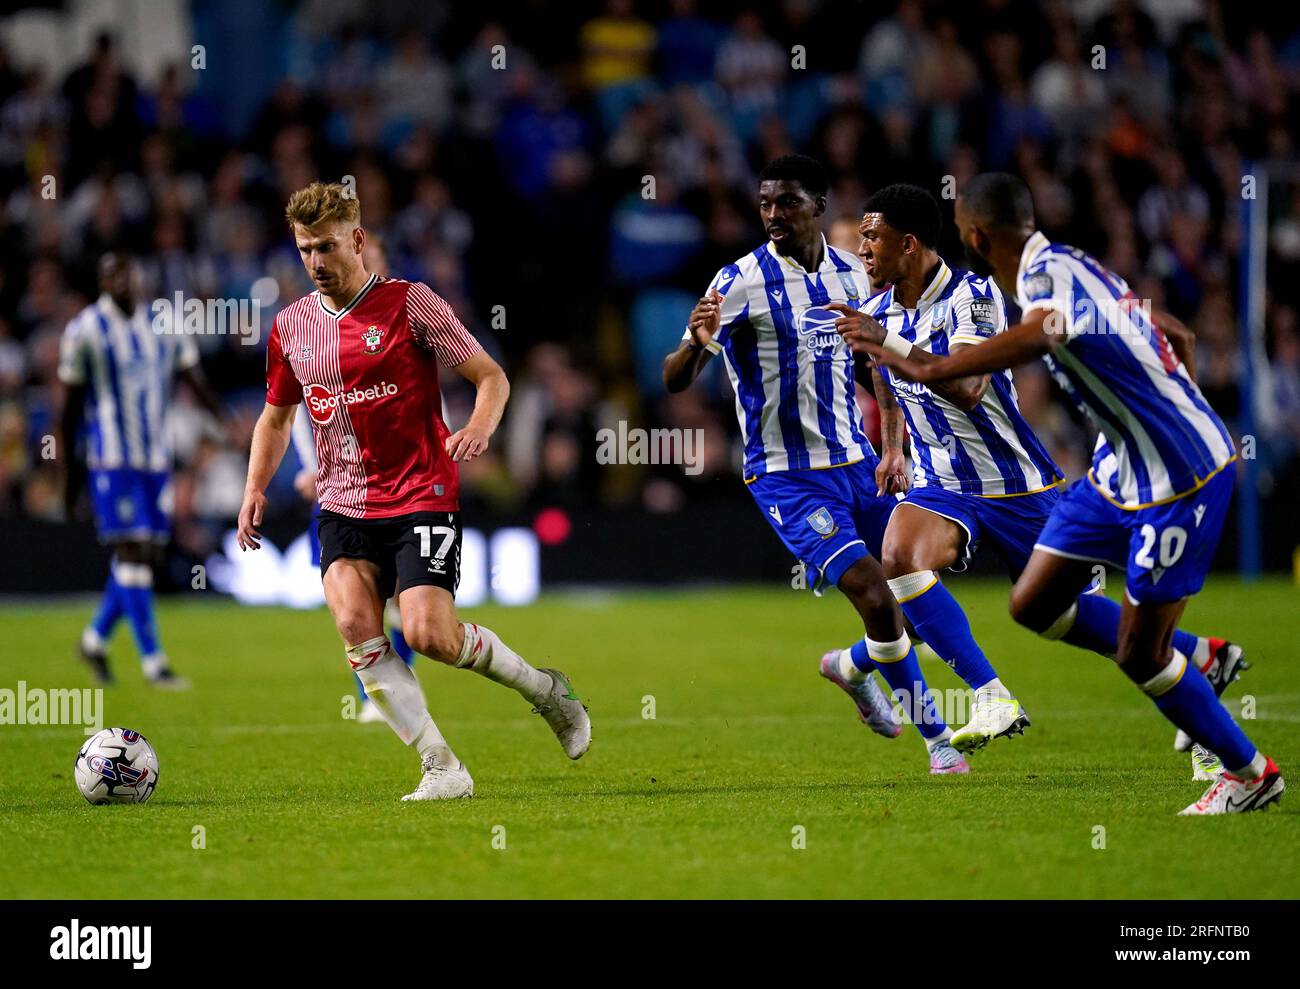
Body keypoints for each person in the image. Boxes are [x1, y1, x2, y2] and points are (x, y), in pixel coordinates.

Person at [846, 172, 1282, 814]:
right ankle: (992, 693)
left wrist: (919, 360)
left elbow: (981, 375)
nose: (862, 249)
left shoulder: (1002, 292)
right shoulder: (1069, 264)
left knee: (1138, 648)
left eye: (872, 238)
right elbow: (1176, 334)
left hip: (1136, 476)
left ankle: (1241, 757)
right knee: (1022, 602)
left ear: (972, 235)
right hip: (1072, 472)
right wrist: (894, 444)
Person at [237, 182, 590, 801]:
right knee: (354, 623)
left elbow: (491, 375)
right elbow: (275, 417)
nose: (316, 263)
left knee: (429, 634)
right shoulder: (291, 327)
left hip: (422, 492)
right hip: (344, 501)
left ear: (357, 240)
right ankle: (442, 767)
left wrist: (478, 428)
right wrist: (254, 488)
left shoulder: (409, 304)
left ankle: (544, 690)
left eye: (325, 247)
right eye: (303, 251)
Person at [663, 154, 968, 775]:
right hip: (787, 476)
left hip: (858, 462)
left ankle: (853, 667)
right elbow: (674, 378)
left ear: (818, 206)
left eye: (787, 203)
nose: (773, 215)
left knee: (906, 589)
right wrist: (695, 343)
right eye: (765, 203)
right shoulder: (740, 280)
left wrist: (894, 445)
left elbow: (875, 360)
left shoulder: (855, 273)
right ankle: (938, 740)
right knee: (878, 597)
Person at [59, 251, 226, 688]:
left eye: (124, 270)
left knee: (145, 555)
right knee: (132, 552)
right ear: (100, 280)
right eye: (109, 272)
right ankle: (155, 664)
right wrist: (69, 478)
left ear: (135, 274)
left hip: (154, 459)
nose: (118, 278)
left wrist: (224, 421)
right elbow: (70, 408)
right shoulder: (85, 330)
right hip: (112, 460)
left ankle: (94, 639)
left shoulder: (164, 322)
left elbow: (192, 377)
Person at [288, 233, 416, 724]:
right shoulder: (314, 329)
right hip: (344, 488)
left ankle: (389, 695)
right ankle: (375, 699)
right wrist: (311, 465)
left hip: (405, 486)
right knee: (357, 606)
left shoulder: (407, 315)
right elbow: (297, 404)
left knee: (410, 604)